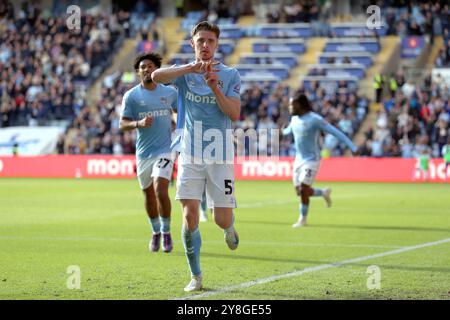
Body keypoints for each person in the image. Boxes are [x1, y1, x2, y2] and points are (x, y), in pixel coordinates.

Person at [152, 21, 241, 292]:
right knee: (190, 217)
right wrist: (190, 68)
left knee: (220, 218)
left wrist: (214, 87)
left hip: (220, 154)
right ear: (192, 43)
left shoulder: (230, 75)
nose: (205, 45)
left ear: (217, 44)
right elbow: (156, 77)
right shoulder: (184, 73)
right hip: (190, 153)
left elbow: (234, 114)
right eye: (200, 40)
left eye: (210, 41)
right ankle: (196, 276)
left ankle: (229, 228)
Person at [120, 52, 178, 253]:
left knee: (160, 189)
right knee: (148, 193)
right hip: (144, 153)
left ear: (157, 70)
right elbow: (123, 123)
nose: (147, 70)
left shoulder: (170, 93)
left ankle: (167, 232)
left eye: (151, 66)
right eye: (143, 67)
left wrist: (178, 123)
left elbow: (179, 111)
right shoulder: (132, 96)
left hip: (165, 149)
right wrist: (139, 123)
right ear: (138, 72)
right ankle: (155, 232)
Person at [282, 93, 358, 228]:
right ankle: (323, 193)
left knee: (304, 188)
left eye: (292, 104)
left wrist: (351, 146)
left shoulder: (315, 119)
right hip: (298, 159)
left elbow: (334, 131)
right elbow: (288, 131)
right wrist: (283, 131)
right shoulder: (294, 119)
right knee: (299, 191)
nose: (290, 107)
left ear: (301, 105)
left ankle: (302, 219)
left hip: (312, 159)